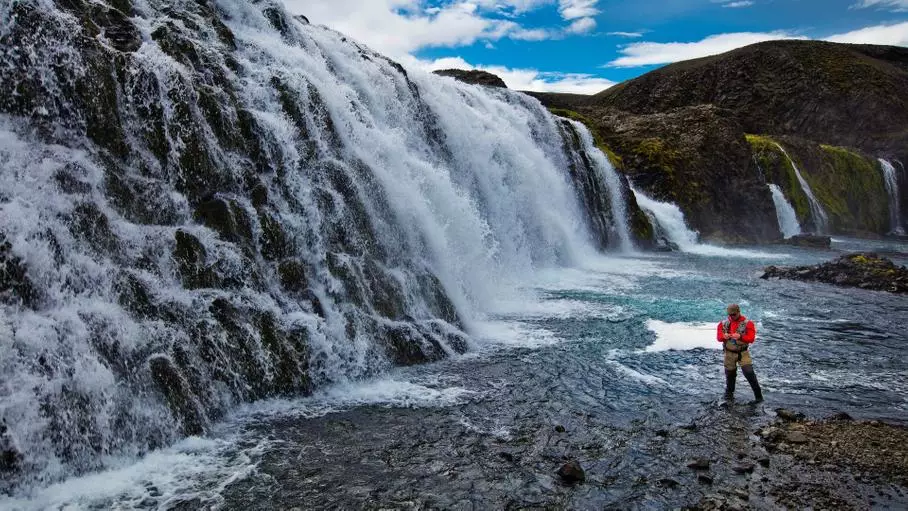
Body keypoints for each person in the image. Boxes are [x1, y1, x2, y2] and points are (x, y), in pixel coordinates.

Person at [717, 303, 763, 402]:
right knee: (730, 376)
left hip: (743, 353)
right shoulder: (723, 323)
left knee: (749, 372)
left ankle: (759, 397)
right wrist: (723, 337)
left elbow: (751, 339)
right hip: (729, 353)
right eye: (730, 315)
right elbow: (719, 338)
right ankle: (729, 398)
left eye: (734, 314)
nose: (732, 317)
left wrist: (740, 337)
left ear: (739, 312)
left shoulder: (748, 323)